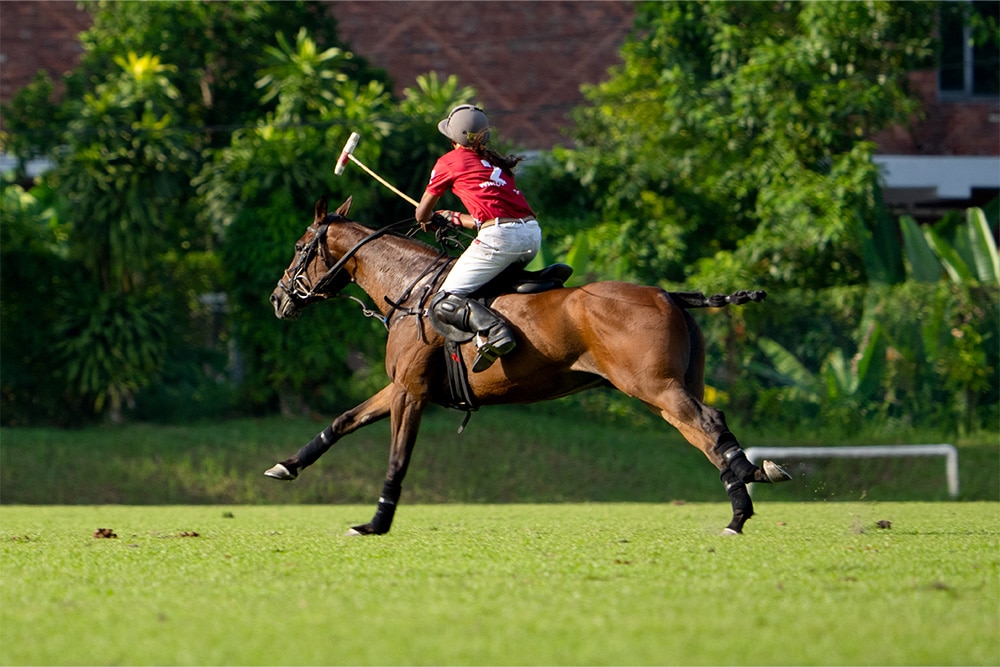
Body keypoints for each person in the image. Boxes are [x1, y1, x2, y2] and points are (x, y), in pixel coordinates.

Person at [415, 105, 542, 372]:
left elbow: (421, 212)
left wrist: (426, 219)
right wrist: (455, 217)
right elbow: (492, 215)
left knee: (444, 300)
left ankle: (495, 332)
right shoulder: (496, 162)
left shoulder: (449, 161)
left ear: (453, 138)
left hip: (502, 238)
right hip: (531, 235)